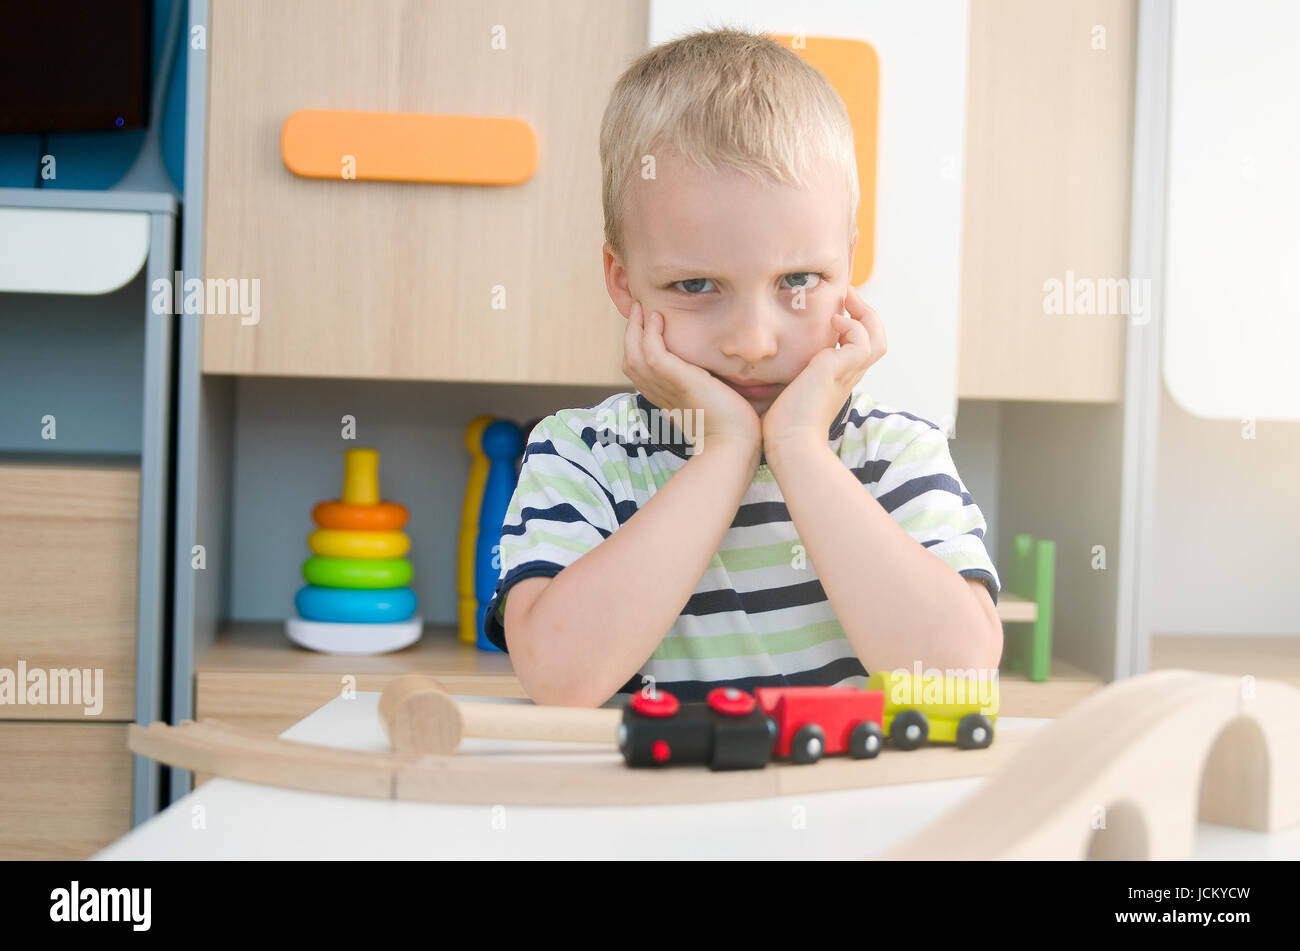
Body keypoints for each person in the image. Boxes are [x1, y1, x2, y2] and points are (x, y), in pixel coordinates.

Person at [483, 28, 1002, 705]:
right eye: (697, 286)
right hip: (644, 809)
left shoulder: (897, 454)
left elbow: (956, 677)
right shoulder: (581, 457)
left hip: (841, 811)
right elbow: (560, 679)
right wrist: (726, 449)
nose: (753, 342)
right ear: (622, 280)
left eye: (799, 278)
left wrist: (798, 449)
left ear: (847, 263)